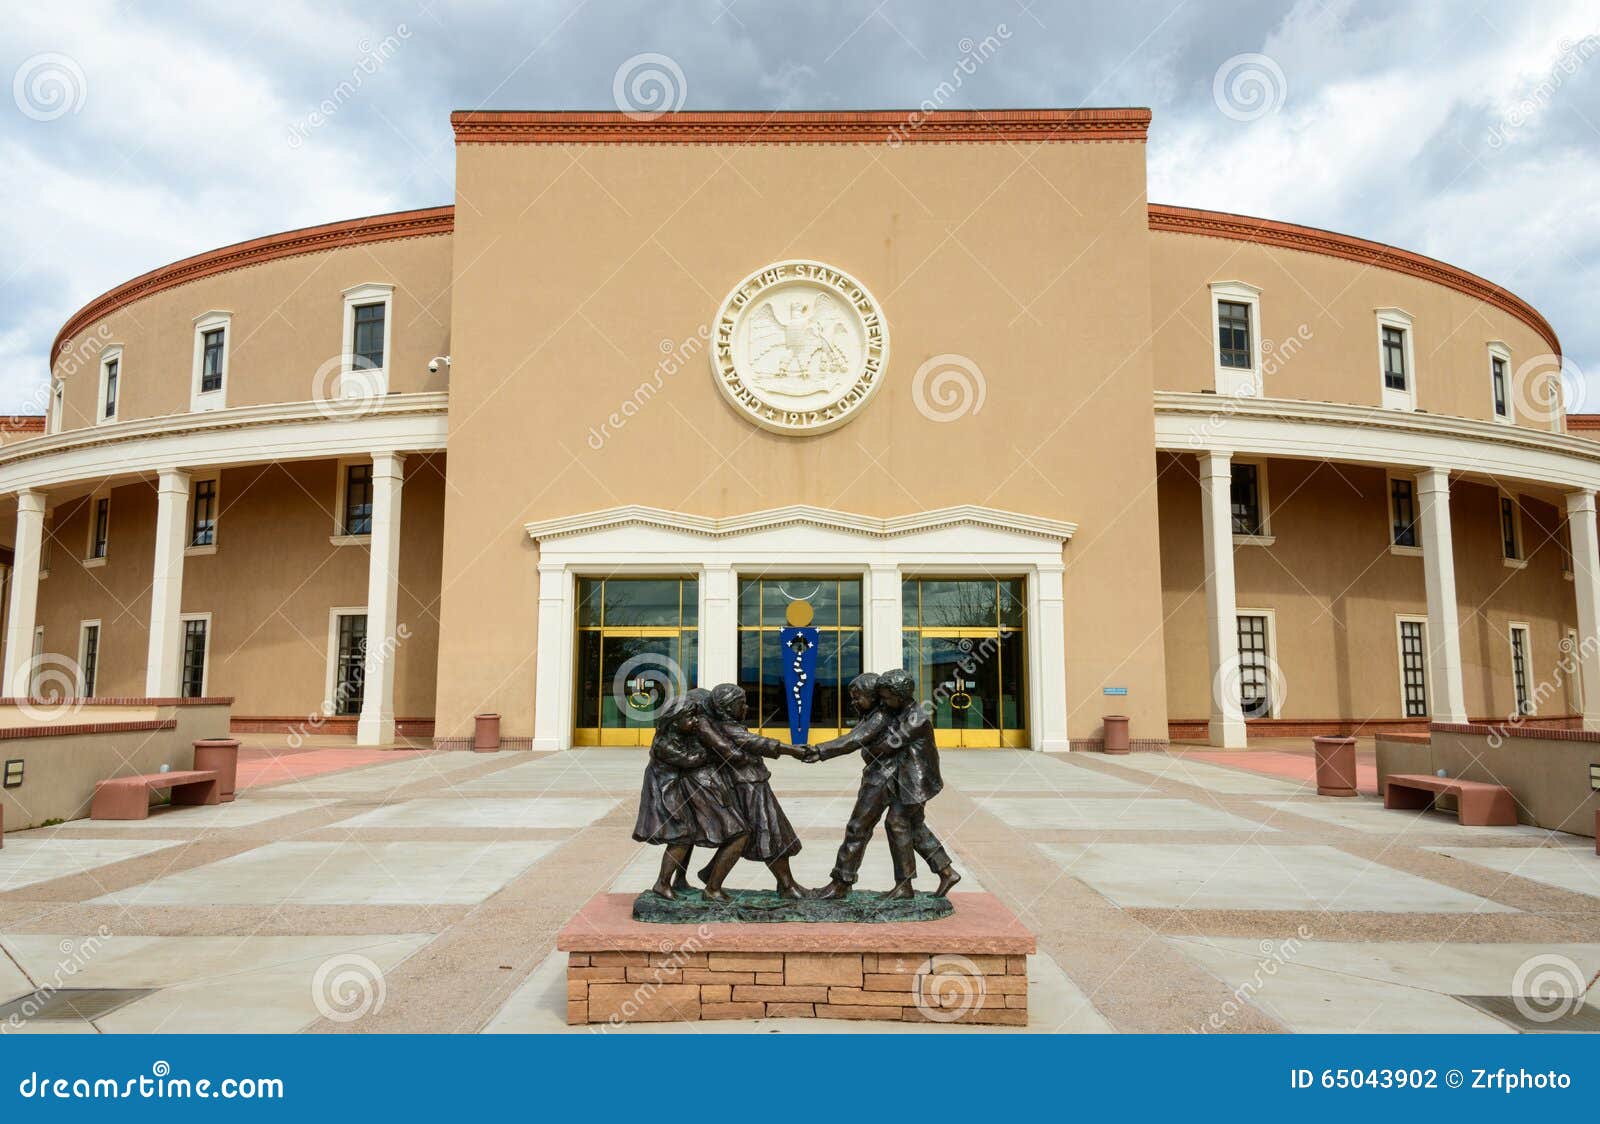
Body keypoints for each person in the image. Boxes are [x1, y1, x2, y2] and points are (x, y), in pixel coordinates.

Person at [804, 669, 961, 900]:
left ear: (898, 696)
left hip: (905, 780)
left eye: (859, 697)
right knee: (912, 828)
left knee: (867, 826)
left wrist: (821, 751)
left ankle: (844, 883)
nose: (855, 702)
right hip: (901, 778)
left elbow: (866, 743)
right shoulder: (892, 711)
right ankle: (943, 873)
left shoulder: (906, 717)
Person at [632, 692, 749, 901]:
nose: (696, 722)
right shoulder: (664, 744)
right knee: (681, 837)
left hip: (676, 790)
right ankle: (663, 883)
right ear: (675, 722)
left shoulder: (679, 736)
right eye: (691, 718)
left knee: (687, 835)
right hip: (666, 794)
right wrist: (713, 751)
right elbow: (691, 760)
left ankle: (679, 880)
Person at [702, 682, 809, 898]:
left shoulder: (726, 725)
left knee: (768, 832)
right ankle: (785, 885)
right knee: (770, 832)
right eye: (741, 704)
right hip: (747, 787)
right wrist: (790, 749)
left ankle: (785, 884)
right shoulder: (727, 727)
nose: (746, 708)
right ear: (726, 707)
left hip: (752, 783)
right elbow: (755, 742)